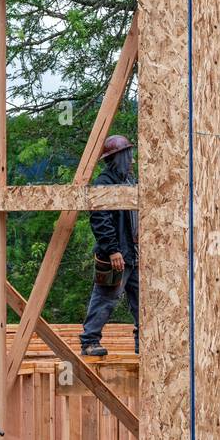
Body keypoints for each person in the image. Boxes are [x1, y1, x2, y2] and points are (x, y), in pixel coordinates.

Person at [80, 135, 139, 357]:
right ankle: (89, 342)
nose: (132, 161)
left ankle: (143, 343)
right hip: (117, 253)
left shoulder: (128, 182)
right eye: (129, 156)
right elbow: (100, 219)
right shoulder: (104, 183)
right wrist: (113, 249)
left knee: (142, 301)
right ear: (119, 157)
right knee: (106, 297)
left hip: (133, 254)